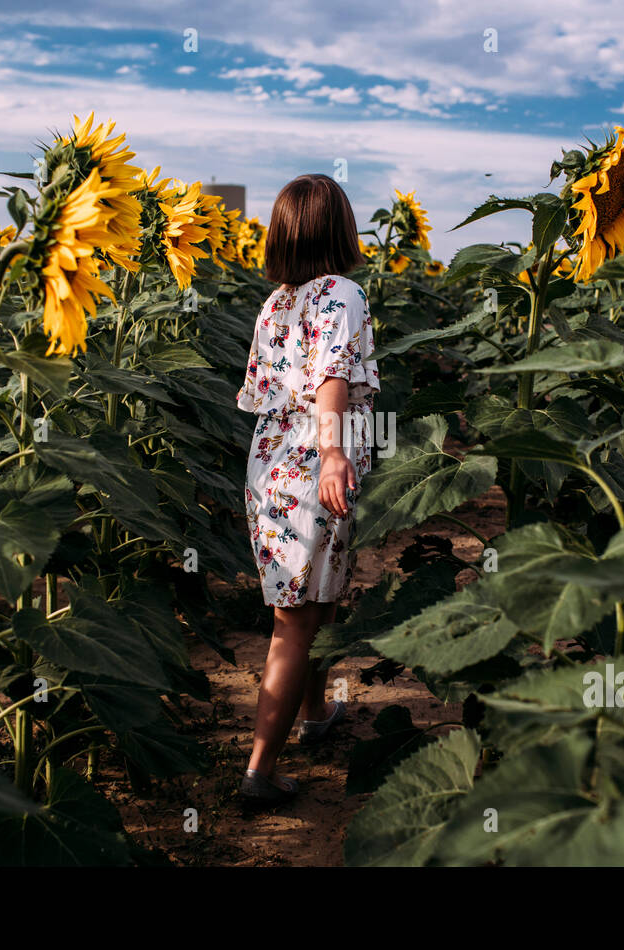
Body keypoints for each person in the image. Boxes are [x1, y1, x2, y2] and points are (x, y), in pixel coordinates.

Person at [233, 173, 381, 807]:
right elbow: (331, 380)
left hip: (271, 466)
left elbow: (265, 392)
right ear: (339, 228)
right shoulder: (341, 293)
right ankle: (258, 773)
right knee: (295, 621)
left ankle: (318, 714)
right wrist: (331, 455)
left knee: (318, 600)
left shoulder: (277, 303)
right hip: (311, 469)